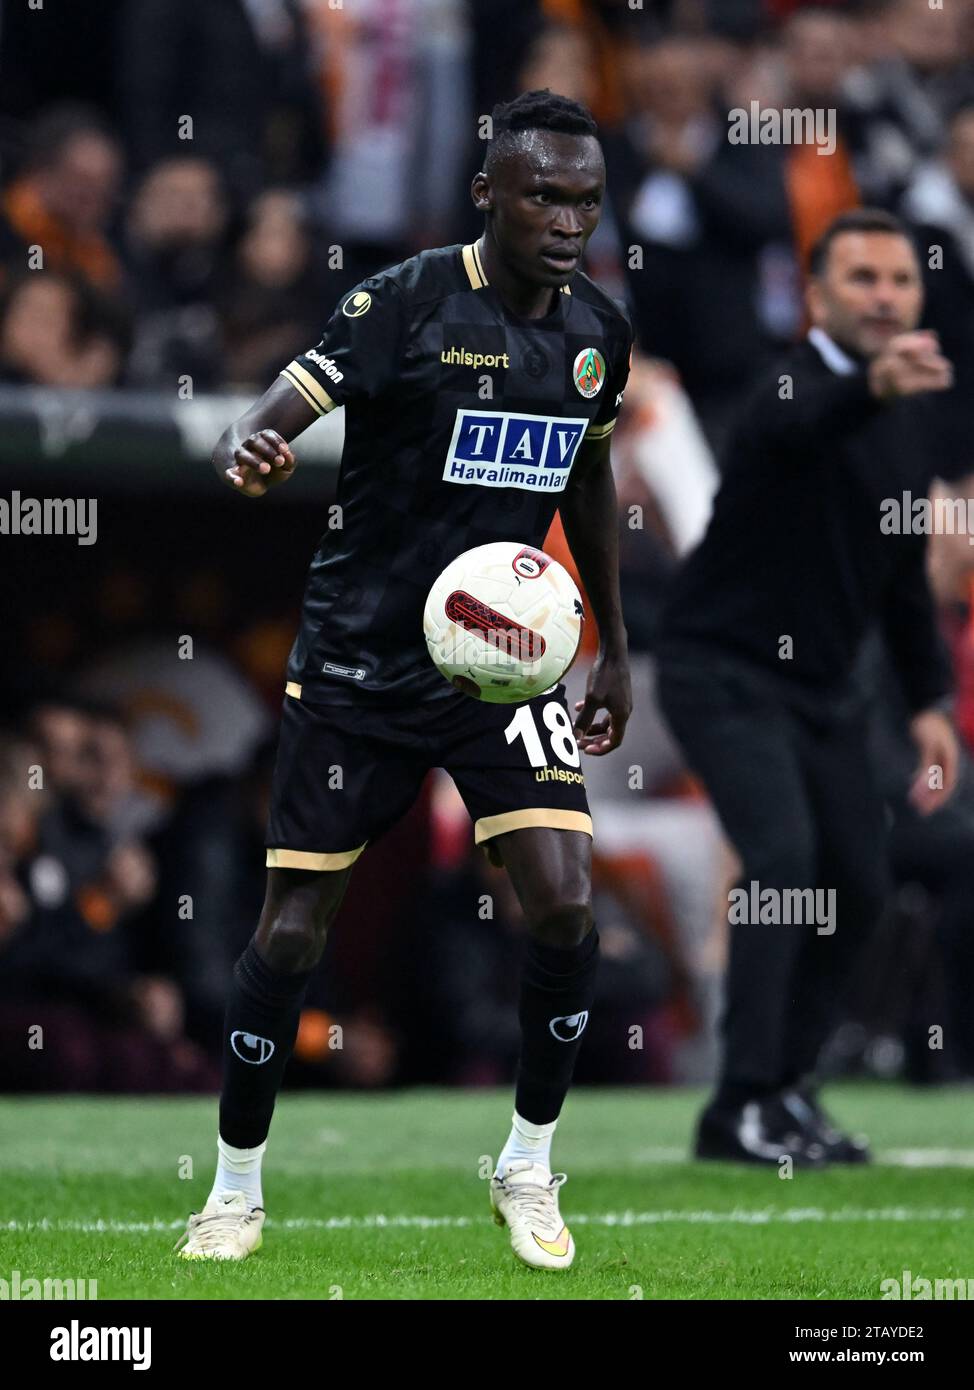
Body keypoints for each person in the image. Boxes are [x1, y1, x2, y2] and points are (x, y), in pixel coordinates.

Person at [175, 90, 634, 1270]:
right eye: (542, 193)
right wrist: (252, 440)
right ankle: (233, 1187)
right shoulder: (403, 301)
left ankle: (527, 1163)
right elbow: (284, 405)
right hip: (362, 663)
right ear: (487, 191)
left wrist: (613, 647)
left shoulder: (594, 331)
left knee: (567, 905)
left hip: (504, 666)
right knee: (290, 935)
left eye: (584, 198)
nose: (566, 218)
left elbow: (589, 479)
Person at [655, 209, 961, 1166]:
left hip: (827, 691)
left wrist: (928, 702)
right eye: (862, 279)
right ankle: (735, 1104)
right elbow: (801, 424)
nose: (883, 296)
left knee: (862, 890)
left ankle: (787, 1090)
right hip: (721, 670)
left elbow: (905, 578)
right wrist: (871, 385)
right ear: (818, 294)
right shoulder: (787, 380)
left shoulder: (908, 416)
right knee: (783, 863)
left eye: (899, 281)